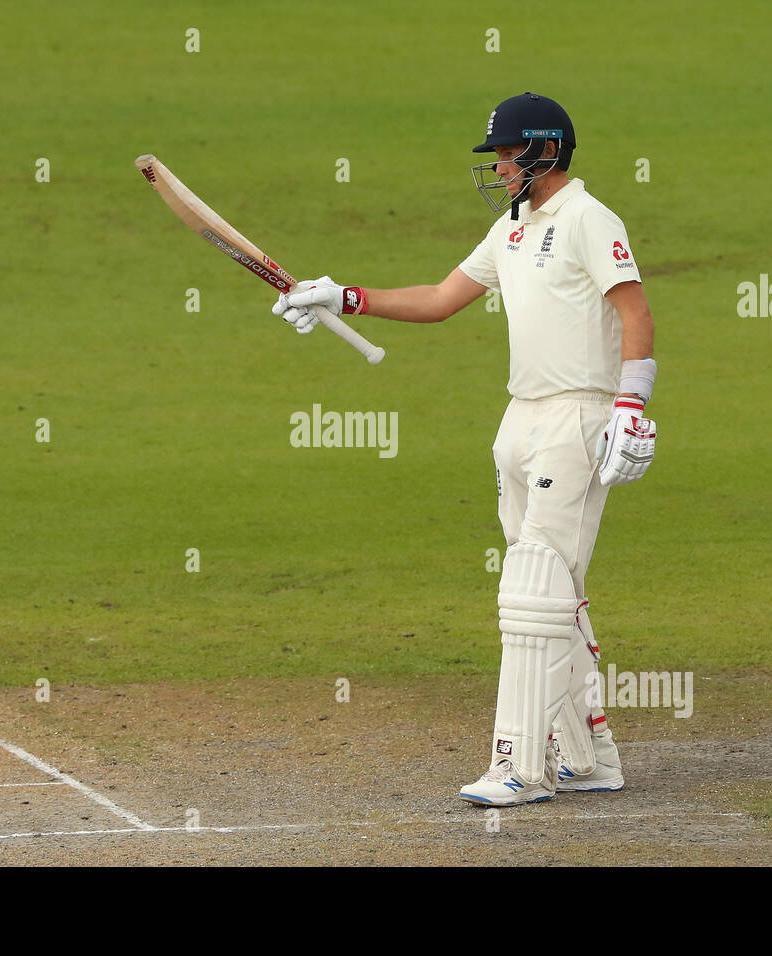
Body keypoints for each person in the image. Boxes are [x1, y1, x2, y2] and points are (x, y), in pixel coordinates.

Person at [273, 92, 658, 806]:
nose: (502, 168)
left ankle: (520, 766)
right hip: (521, 416)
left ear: (546, 151)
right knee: (549, 594)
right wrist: (341, 297)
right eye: (499, 157)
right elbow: (441, 297)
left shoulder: (586, 217)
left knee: (534, 590)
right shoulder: (511, 229)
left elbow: (634, 310)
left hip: (578, 415)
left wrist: (631, 406)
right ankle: (588, 753)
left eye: (510, 155)